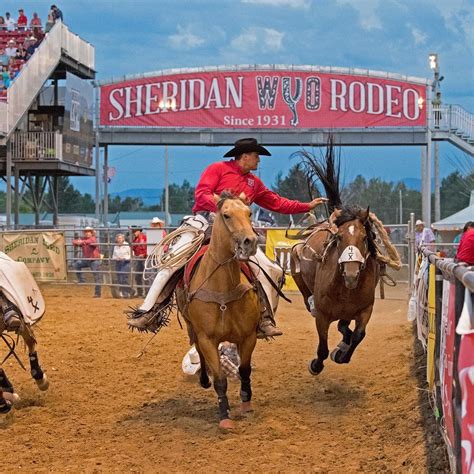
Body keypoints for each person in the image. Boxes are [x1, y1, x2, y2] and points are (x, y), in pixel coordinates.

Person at [129, 137, 328, 337]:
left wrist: (306, 206)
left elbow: (275, 202)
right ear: (245, 156)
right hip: (205, 222)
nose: (259, 160)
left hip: (237, 232)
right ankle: (149, 310)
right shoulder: (217, 169)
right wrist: (220, 206)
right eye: (256, 156)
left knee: (272, 270)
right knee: (173, 261)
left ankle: (264, 318)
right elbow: (201, 194)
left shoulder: (253, 182)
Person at [72, 226, 102, 298]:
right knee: (77, 264)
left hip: (94, 260)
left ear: (91, 233)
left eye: (88, 232)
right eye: (86, 232)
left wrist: (81, 242)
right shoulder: (84, 239)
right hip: (87, 259)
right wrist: (79, 242)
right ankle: (81, 279)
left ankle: (97, 293)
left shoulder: (93, 239)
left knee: (97, 277)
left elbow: (91, 242)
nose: (87, 233)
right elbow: (74, 242)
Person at [112, 233, 132, 298]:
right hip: (118, 263)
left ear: (123, 239)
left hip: (126, 262)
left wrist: (125, 258)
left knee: (124, 278)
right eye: (118, 238)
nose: (119, 239)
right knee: (120, 279)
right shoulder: (115, 246)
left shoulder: (127, 245)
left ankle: (126, 293)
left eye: (120, 238)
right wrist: (116, 258)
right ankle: (130, 291)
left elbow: (131, 254)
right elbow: (113, 255)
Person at [130, 226, 147, 297]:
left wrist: (144, 254)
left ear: (139, 231)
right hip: (139, 259)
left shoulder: (145, 238)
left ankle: (146, 292)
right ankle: (140, 292)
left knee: (146, 276)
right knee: (138, 276)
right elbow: (133, 248)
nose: (134, 233)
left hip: (145, 258)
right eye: (133, 231)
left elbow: (149, 247)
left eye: (135, 231)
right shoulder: (135, 240)